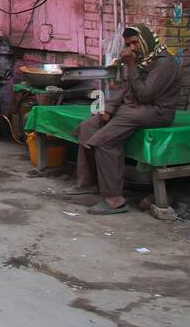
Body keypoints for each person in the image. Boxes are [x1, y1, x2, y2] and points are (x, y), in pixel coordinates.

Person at [68, 23, 182, 215]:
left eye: (135, 43)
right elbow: (125, 89)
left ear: (145, 41)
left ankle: (114, 199)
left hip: (155, 111)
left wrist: (130, 65)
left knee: (104, 141)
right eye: (128, 44)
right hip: (132, 107)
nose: (132, 48)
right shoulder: (142, 60)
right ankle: (89, 182)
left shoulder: (165, 64)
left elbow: (145, 95)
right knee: (88, 127)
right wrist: (110, 108)